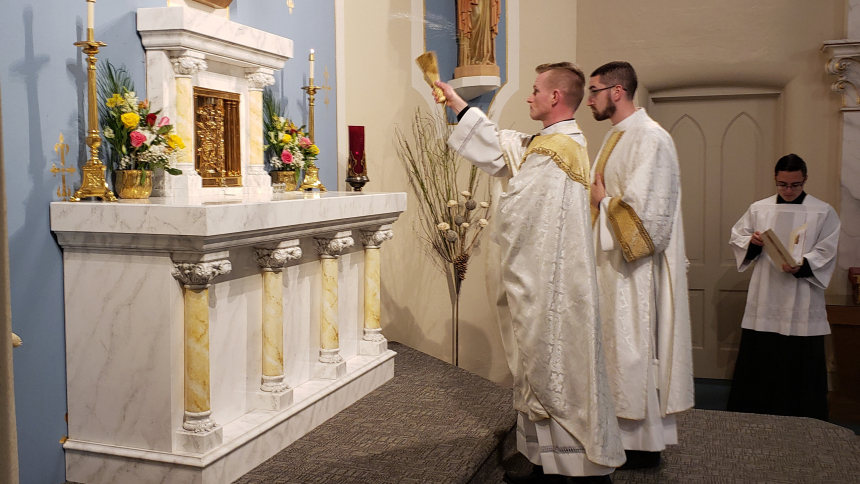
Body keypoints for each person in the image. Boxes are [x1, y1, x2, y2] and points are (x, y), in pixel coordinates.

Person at [434, 63, 625, 484]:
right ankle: (544, 456)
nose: (529, 96)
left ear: (555, 97)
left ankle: (569, 464)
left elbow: (522, 207)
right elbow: (507, 149)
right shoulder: (554, 143)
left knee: (553, 365)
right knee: (542, 364)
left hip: (552, 286)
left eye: (536, 90)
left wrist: (504, 207)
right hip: (549, 279)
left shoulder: (560, 150)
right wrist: (459, 105)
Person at [587, 61, 695, 470]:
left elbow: (649, 219)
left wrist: (602, 203)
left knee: (633, 350)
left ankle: (642, 444)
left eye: (595, 91)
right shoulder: (618, 135)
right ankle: (621, 436)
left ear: (617, 91)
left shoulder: (651, 138)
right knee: (617, 350)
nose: (591, 99)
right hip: (612, 266)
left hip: (636, 270)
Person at [726, 154, 840, 420]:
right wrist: (752, 242)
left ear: (805, 180)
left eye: (795, 185)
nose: (788, 191)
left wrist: (805, 265)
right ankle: (755, 412)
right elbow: (737, 237)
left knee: (799, 361)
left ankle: (803, 415)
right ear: (775, 180)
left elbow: (828, 249)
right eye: (782, 184)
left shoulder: (823, 211)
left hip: (803, 295)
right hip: (767, 289)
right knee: (762, 358)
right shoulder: (759, 209)